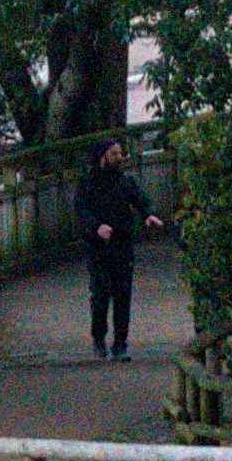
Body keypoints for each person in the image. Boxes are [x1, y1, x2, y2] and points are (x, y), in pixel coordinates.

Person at [75, 138, 160, 359]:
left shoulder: (126, 181)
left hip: (122, 244)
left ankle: (121, 343)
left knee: (123, 295)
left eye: (120, 154)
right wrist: (96, 227)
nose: (119, 158)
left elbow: (141, 199)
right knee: (100, 293)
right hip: (98, 247)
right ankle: (99, 338)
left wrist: (148, 214)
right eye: (114, 154)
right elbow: (81, 211)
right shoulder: (88, 182)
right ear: (103, 156)